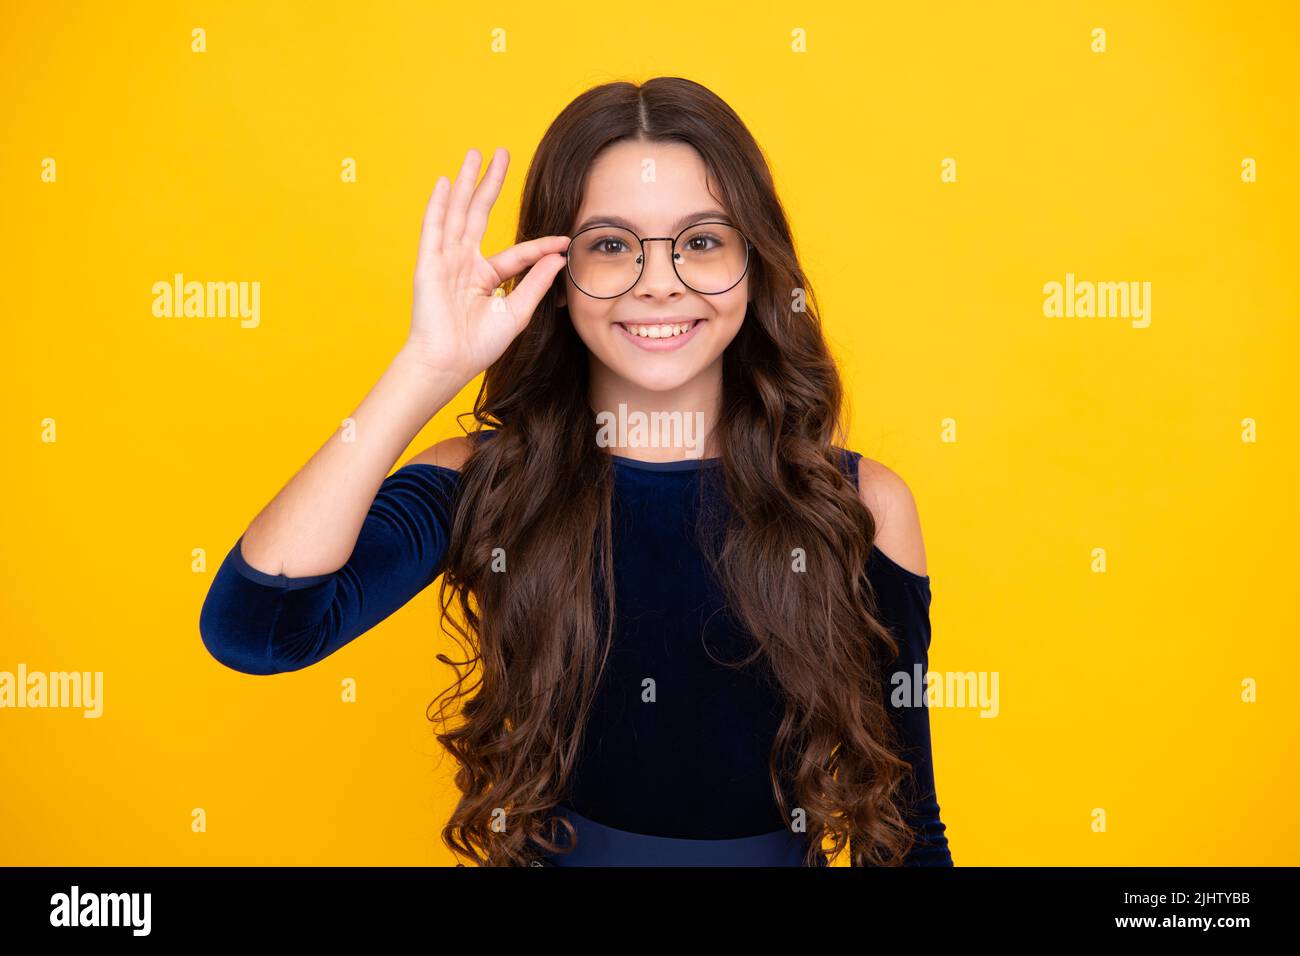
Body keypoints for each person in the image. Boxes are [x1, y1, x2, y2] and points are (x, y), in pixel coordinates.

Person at [199, 76, 952, 868]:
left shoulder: (859, 505)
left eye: (701, 241)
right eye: (611, 244)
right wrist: (426, 368)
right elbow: (259, 629)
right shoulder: (483, 482)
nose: (658, 282)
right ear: (553, 281)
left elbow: (910, 831)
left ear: (756, 264)